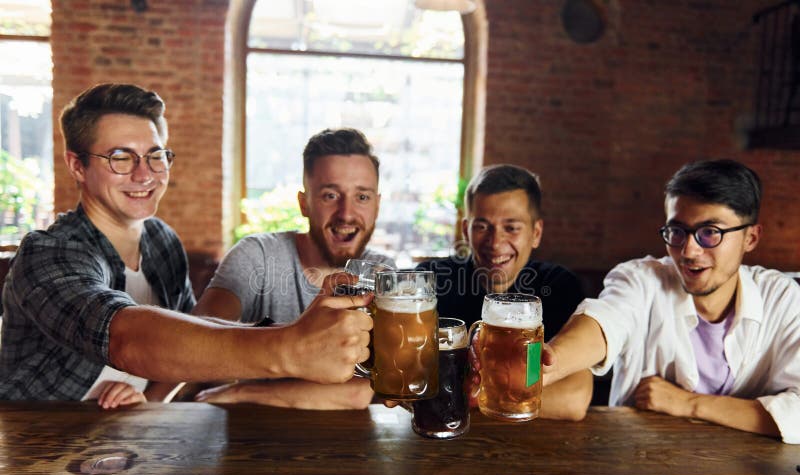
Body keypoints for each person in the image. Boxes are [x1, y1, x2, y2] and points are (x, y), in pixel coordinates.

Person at [0, 83, 372, 407]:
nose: (144, 174)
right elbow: (128, 339)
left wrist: (148, 401)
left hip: (123, 442)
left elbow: (189, 345)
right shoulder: (47, 254)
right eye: (121, 158)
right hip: (40, 449)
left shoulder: (161, 242)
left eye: (155, 156)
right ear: (77, 166)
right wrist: (291, 348)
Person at [543, 159, 800, 443]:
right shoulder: (642, 279)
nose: (688, 251)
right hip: (641, 461)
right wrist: (547, 364)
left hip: (749, 468)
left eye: (710, 232)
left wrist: (687, 403)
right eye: (677, 231)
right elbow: (607, 320)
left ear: (750, 237)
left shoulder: (781, 297)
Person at [190, 128, 394, 409]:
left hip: (344, 436)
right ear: (304, 204)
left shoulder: (383, 272)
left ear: (377, 206)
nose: (346, 213)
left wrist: (244, 392)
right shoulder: (257, 255)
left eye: (362, 197)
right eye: (330, 195)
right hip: (249, 433)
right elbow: (197, 343)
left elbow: (359, 392)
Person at [416, 164, 593, 421]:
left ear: (536, 233)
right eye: (482, 227)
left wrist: (469, 395)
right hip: (443, 432)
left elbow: (574, 398)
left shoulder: (557, 285)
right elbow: (412, 377)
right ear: (466, 231)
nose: (495, 243)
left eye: (511, 228)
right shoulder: (432, 279)